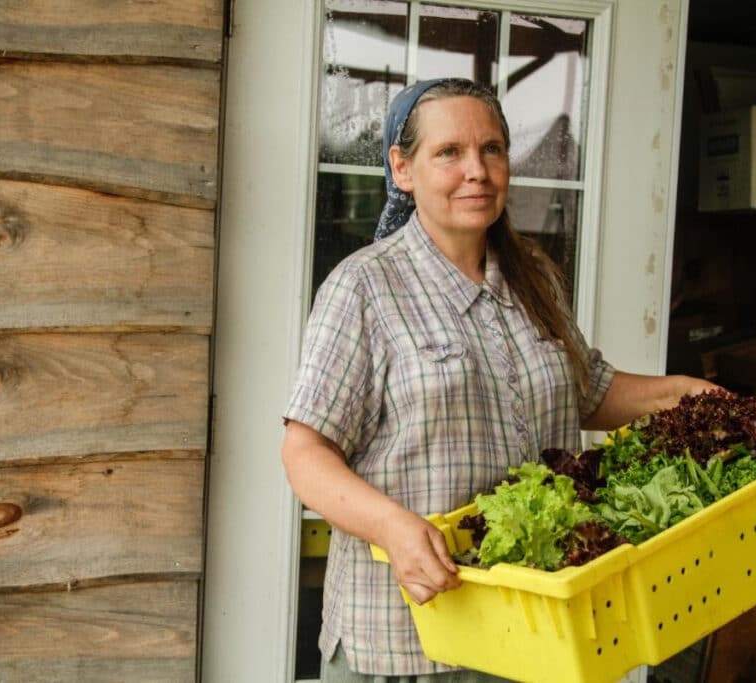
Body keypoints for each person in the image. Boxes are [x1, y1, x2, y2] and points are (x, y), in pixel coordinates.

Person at [281, 77, 717, 681]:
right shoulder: (365, 289)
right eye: (449, 153)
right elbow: (306, 453)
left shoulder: (531, 271)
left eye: (492, 149)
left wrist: (683, 395)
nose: (477, 171)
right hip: (411, 636)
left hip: (530, 626)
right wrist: (395, 528)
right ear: (403, 169)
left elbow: (586, 391)